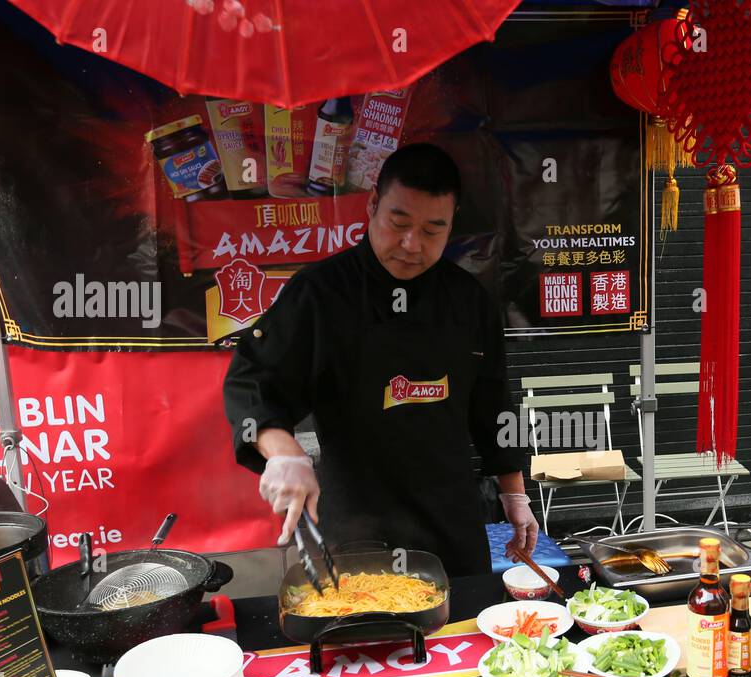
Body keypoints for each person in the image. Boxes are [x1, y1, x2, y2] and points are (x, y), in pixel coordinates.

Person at [222, 143, 538, 576]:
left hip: (451, 519)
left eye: (432, 230)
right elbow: (253, 379)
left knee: (461, 632)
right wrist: (282, 452)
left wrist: (514, 493)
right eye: (399, 222)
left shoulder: (469, 301)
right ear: (373, 205)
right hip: (354, 524)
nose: (411, 244)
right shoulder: (320, 293)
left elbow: (493, 403)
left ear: (452, 224)